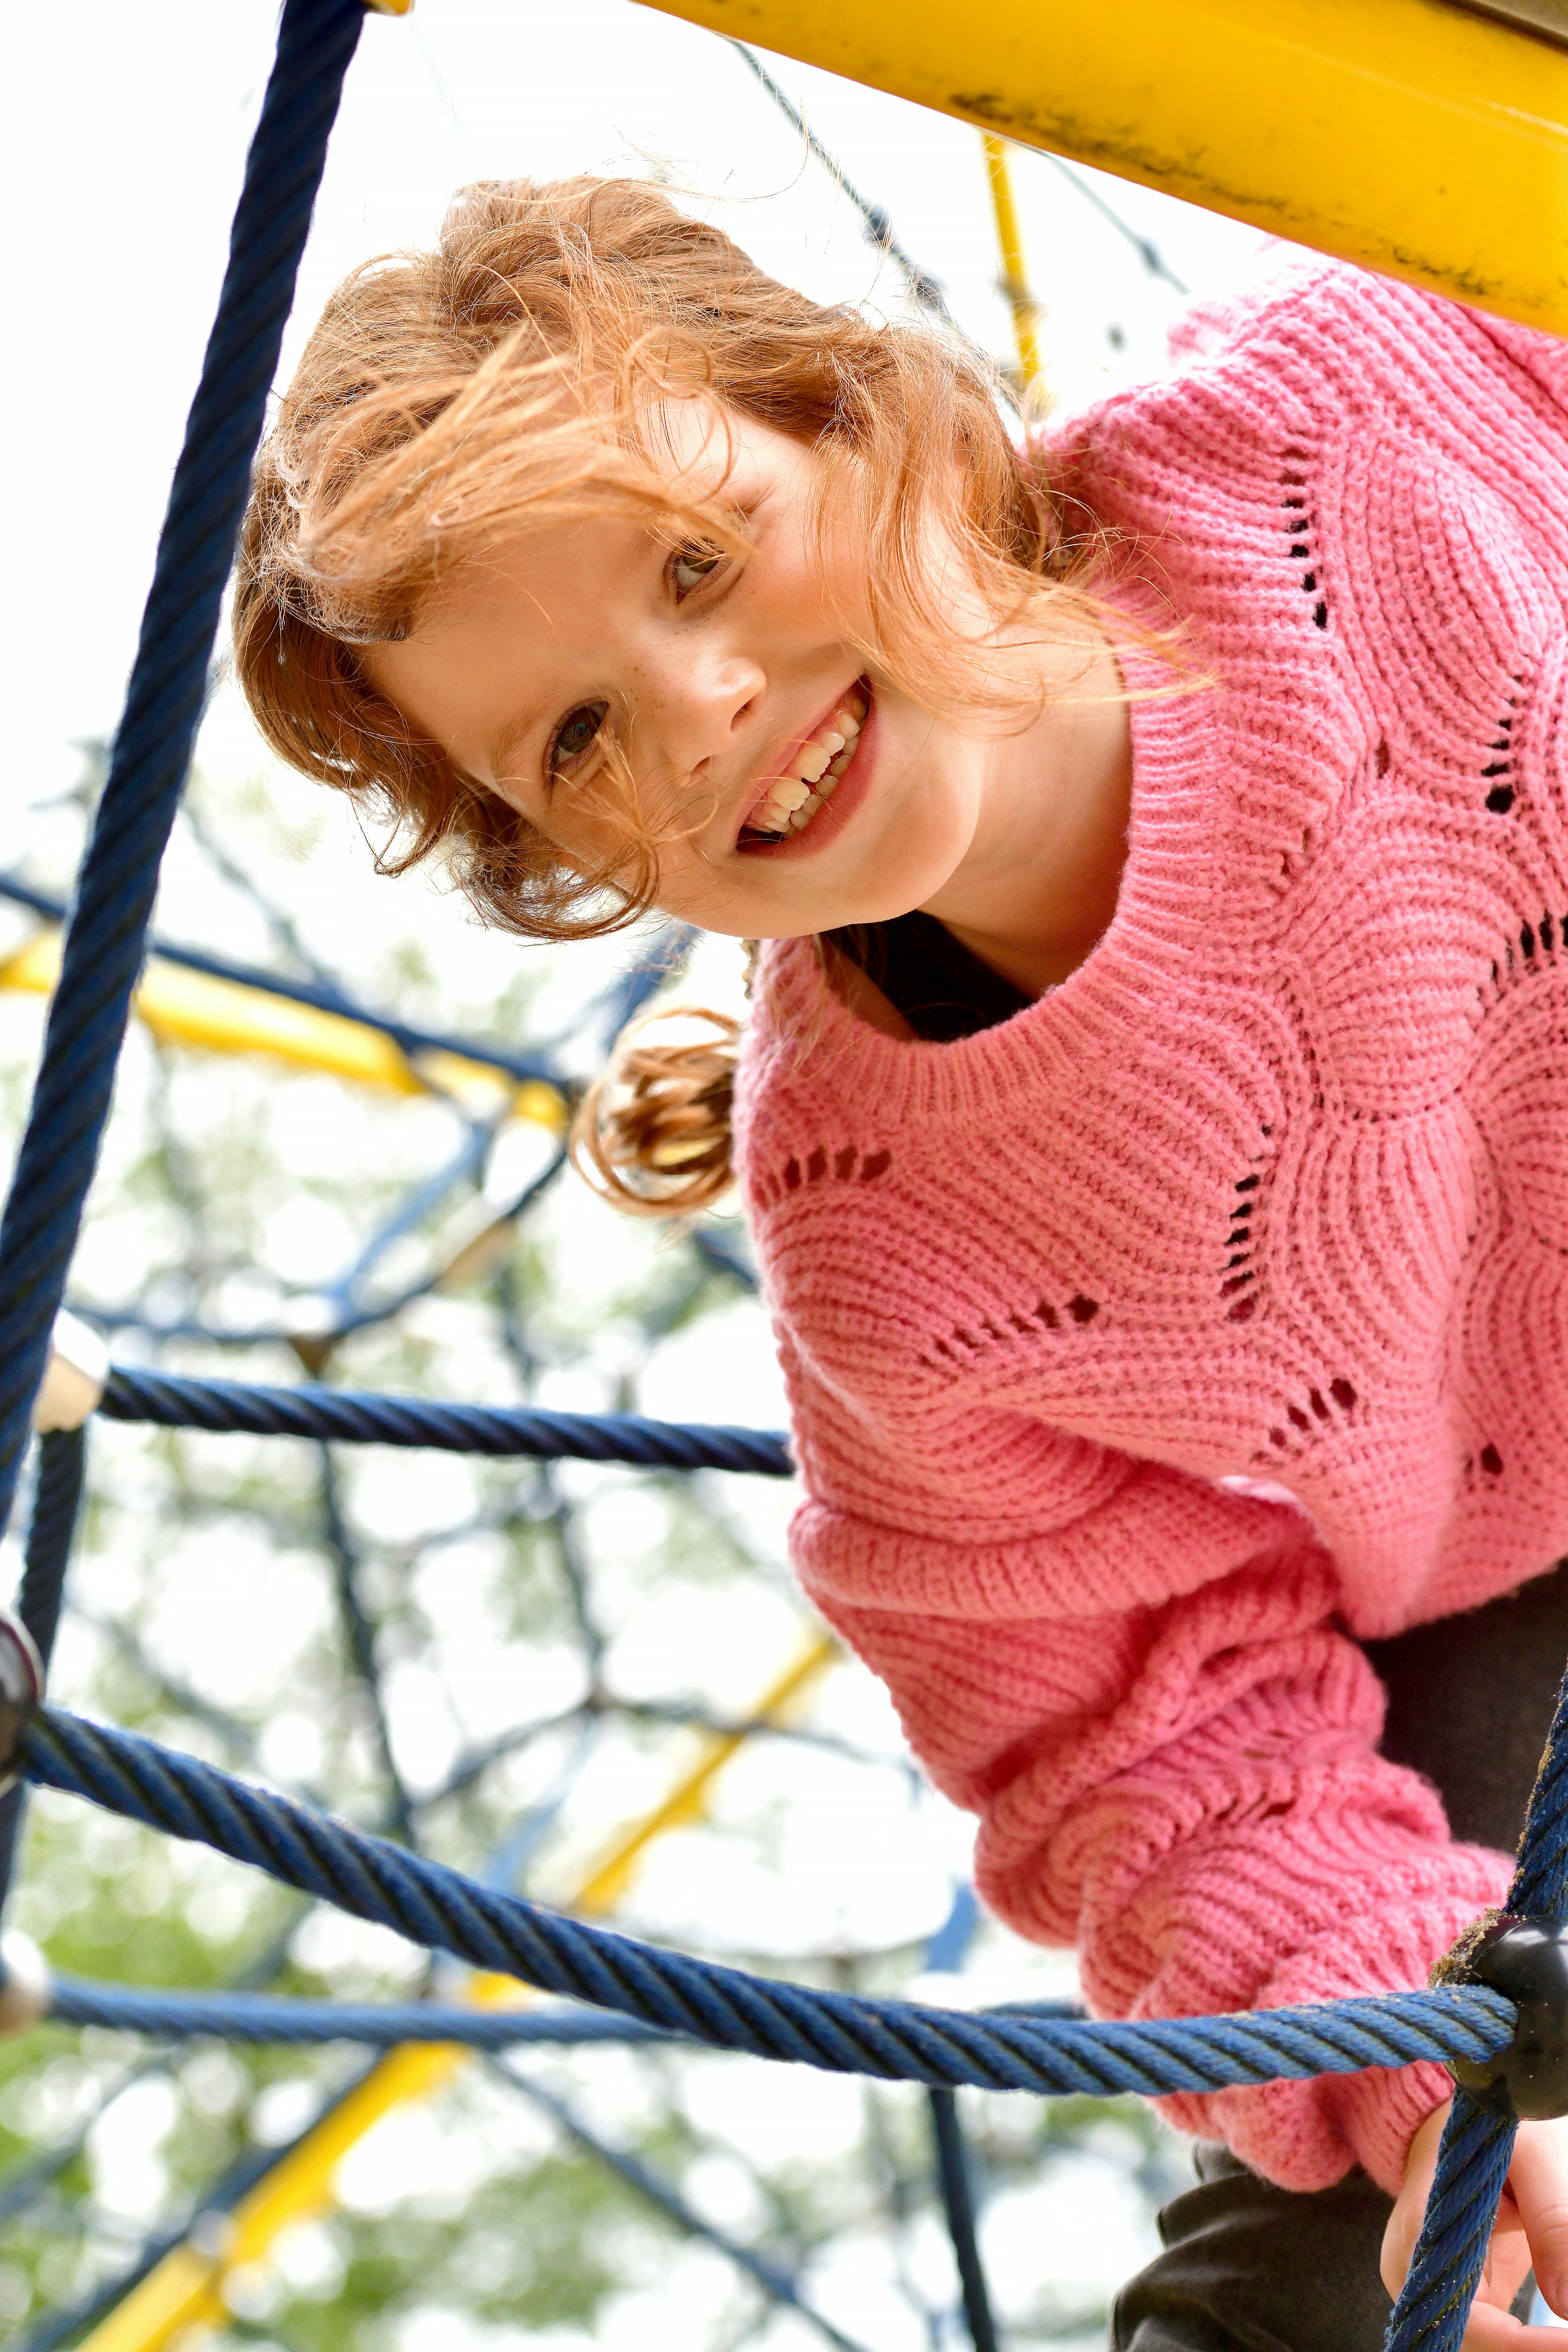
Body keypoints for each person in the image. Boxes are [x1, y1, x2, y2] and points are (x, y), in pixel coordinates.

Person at [232, 175, 1568, 2347]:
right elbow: (1131, 1728)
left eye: (698, 557)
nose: (692, 710)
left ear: (863, 420)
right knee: (1330, 2287)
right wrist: (1427, 2075)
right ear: (562, 855)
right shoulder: (891, 1239)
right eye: (571, 741)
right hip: (1518, 1570)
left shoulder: (1366, 414)